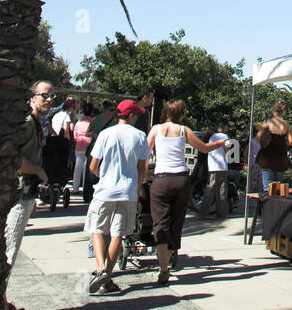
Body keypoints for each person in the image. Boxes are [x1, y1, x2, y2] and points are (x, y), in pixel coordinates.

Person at [148, 101, 229, 286]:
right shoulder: (184, 130)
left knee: (160, 222)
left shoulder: (156, 129)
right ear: (180, 115)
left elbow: (145, 152)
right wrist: (218, 144)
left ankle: (163, 267)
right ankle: (168, 257)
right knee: (176, 222)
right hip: (180, 179)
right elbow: (204, 148)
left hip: (161, 178)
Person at [85, 100, 150, 295]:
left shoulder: (106, 134)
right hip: (128, 191)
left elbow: (93, 165)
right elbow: (142, 168)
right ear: (130, 116)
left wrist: (100, 176)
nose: (137, 117)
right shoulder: (140, 136)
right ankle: (108, 277)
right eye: (136, 115)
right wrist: (138, 189)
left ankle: (100, 269)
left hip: (105, 189)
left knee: (97, 229)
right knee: (117, 234)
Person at [4, 80, 52, 310]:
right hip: (18, 193)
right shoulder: (26, 123)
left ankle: (1, 300)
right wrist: (39, 172)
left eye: (52, 95)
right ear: (32, 97)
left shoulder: (36, 124)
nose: (49, 99)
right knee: (9, 250)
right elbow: (15, 159)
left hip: (26, 194)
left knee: (12, 246)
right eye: (44, 95)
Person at [256, 100, 292, 193]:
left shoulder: (267, 123)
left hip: (267, 158)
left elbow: (258, 138)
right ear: (282, 112)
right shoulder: (286, 124)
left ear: (273, 111)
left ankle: (268, 207)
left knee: (267, 189)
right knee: (279, 189)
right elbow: (290, 142)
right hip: (280, 159)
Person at [199, 119, 231, 219]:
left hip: (212, 166)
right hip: (222, 166)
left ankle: (203, 212)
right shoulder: (225, 137)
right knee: (222, 189)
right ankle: (222, 212)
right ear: (225, 127)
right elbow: (227, 151)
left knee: (210, 189)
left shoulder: (212, 137)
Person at [72, 103, 96, 195]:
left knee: (78, 166)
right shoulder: (92, 121)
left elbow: (75, 135)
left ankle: (75, 188)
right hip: (89, 143)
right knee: (87, 166)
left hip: (79, 143)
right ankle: (85, 187)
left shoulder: (79, 122)